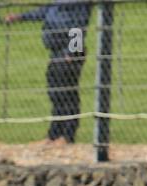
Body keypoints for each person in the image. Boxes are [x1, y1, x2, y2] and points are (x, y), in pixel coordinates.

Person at [5, 2, 92, 145]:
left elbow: (80, 23)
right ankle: (54, 135)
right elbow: (45, 11)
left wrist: (73, 51)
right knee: (55, 94)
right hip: (57, 51)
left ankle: (67, 136)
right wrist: (20, 17)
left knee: (67, 95)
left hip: (68, 51)